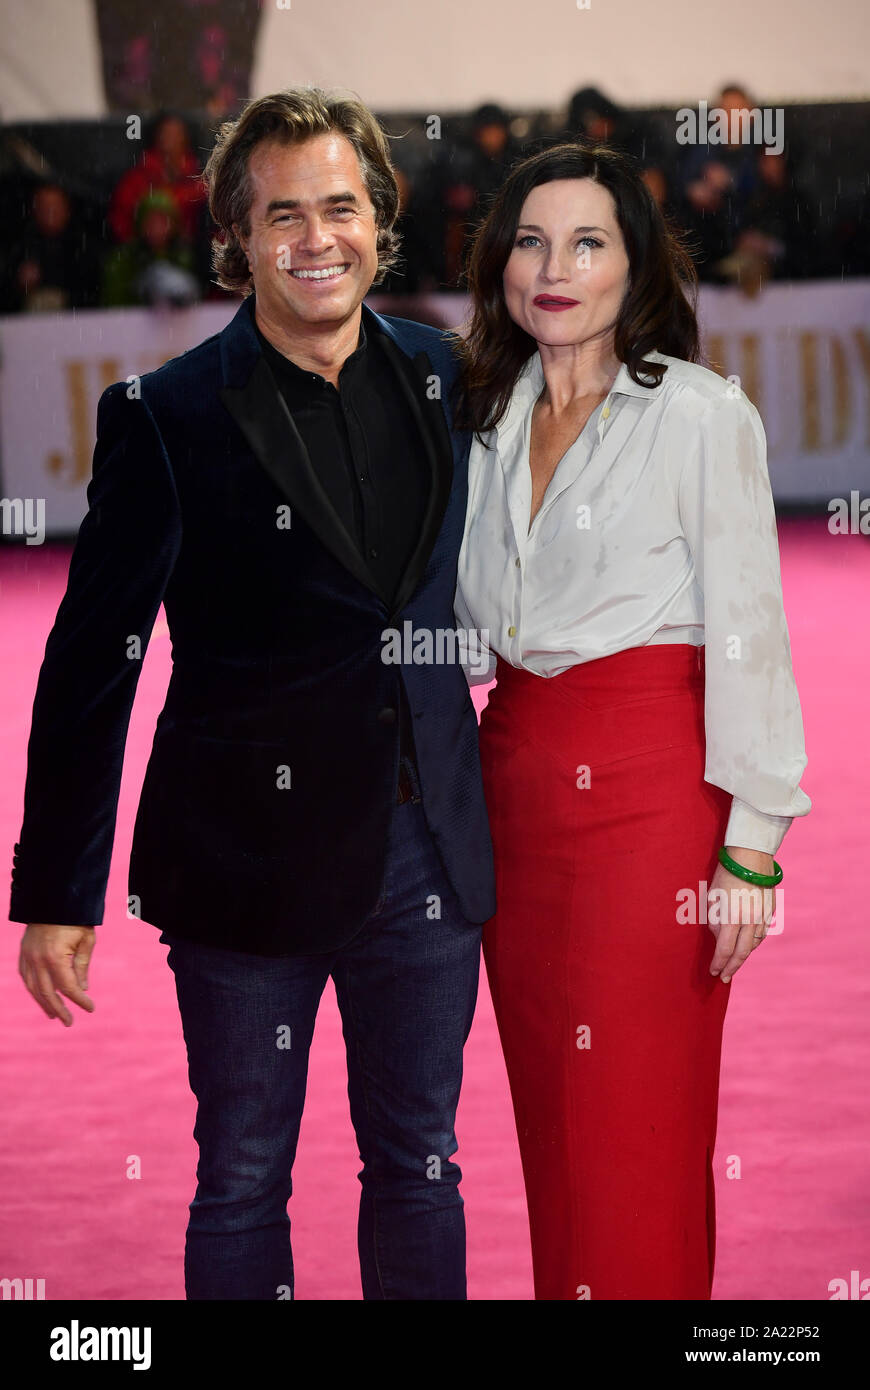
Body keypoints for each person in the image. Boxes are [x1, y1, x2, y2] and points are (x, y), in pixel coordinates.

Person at [11, 87, 495, 1301]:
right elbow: (92, 661)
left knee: (422, 1165)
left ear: (380, 218)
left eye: (341, 206)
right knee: (238, 1177)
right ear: (236, 234)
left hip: (424, 854)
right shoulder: (167, 415)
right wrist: (58, 889)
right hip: (240, 860)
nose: (318, 238)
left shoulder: (449, 377)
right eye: (285, 215)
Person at [452, 141, 811, 1300]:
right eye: (531, 241)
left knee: (635, 1132)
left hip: (652, 805)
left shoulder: (700, 415)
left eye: (587, 242)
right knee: (557, 1132)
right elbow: (468, 624)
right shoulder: (486, 416)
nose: (553, 268)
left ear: (634, 265)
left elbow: (750, 627)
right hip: (513, 798)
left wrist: (751, 846)